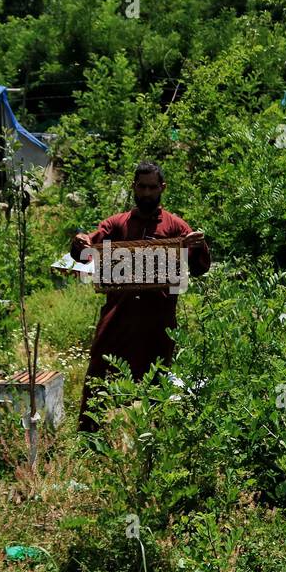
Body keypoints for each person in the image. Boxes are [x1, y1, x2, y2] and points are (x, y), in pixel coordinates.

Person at [70, 160, 211, 432]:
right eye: (142, 187)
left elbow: (200, 267)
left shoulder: (176, 227)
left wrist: (198, 244)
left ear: (162, 188)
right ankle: (89, 437)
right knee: (100, 370)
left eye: (152, 187)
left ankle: (153, 441)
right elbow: (85, 251)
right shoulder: (117, 223)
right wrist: (81, 240)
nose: (146, 193)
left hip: (157, 319)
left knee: (156, 377)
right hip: (118, 315)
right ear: (134, 187)